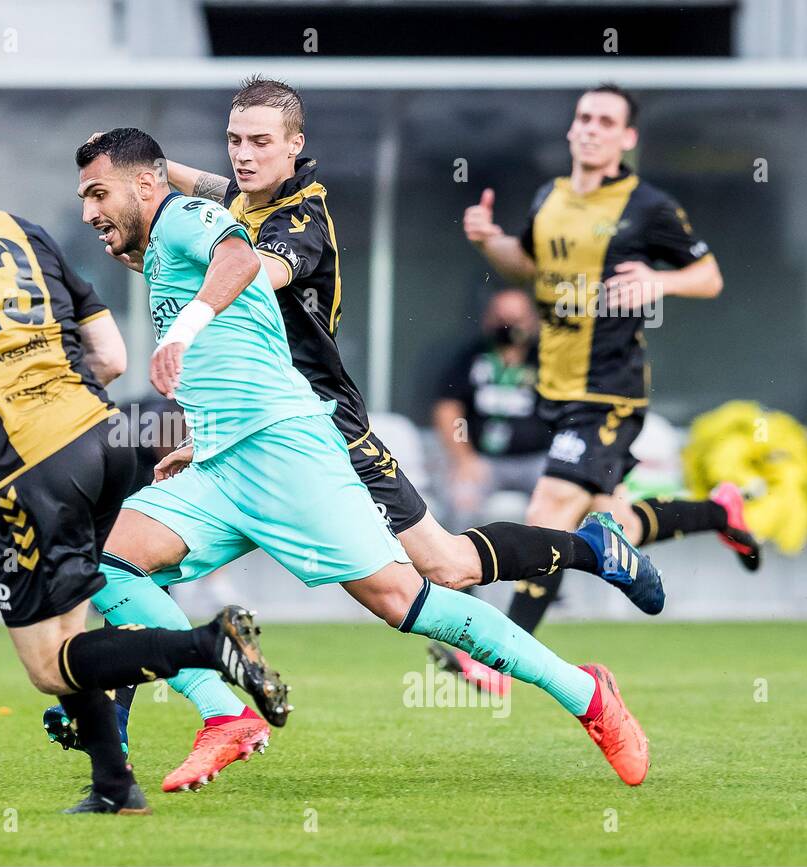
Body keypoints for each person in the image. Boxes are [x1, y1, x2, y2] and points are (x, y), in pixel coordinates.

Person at [49, 79, 664, 791]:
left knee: (429, 584)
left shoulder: (289, 219)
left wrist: (183, 322)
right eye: (234, 140)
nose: (243, 156)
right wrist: (135, 170)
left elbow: (244, 264)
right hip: (234, 446)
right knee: (113, 562)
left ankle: (587, 657)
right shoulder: (222, 205)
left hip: (313, 430)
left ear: (295, 146)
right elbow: (195, 197)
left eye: (260, 142)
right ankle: (195, 719)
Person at [0, 111, 281, 815]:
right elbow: (110, 355)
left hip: (33, 468)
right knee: (74, 629)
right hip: (106, 440)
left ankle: (209, 643)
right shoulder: (20, 230)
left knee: (49, 665)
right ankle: (114, 787)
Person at [462, 83, 760, 634]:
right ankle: (721, 512)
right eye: (585, 118)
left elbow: (709, 276)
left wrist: (660, 281)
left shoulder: (647, 207)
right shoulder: (549, 198)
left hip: (608, 390)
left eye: (606, 121)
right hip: (555, 387)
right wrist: (488, 240)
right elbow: (525, 264)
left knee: (549, 511)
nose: (592, 129)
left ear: (627, 138)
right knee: (616, 521)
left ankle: (500, 656)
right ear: (571, 128)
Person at [431, 288, 550, 533]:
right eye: (501, 318)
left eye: (516, 319)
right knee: (462, 499)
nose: (508, 326)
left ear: (532, 321)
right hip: (482, 460)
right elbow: (449, 411)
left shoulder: (546, 361)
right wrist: (464, 456)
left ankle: (547, 559)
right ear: (488, 320)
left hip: (537, 460)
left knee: (560, 500)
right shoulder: (470, 358)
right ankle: (461, 557)